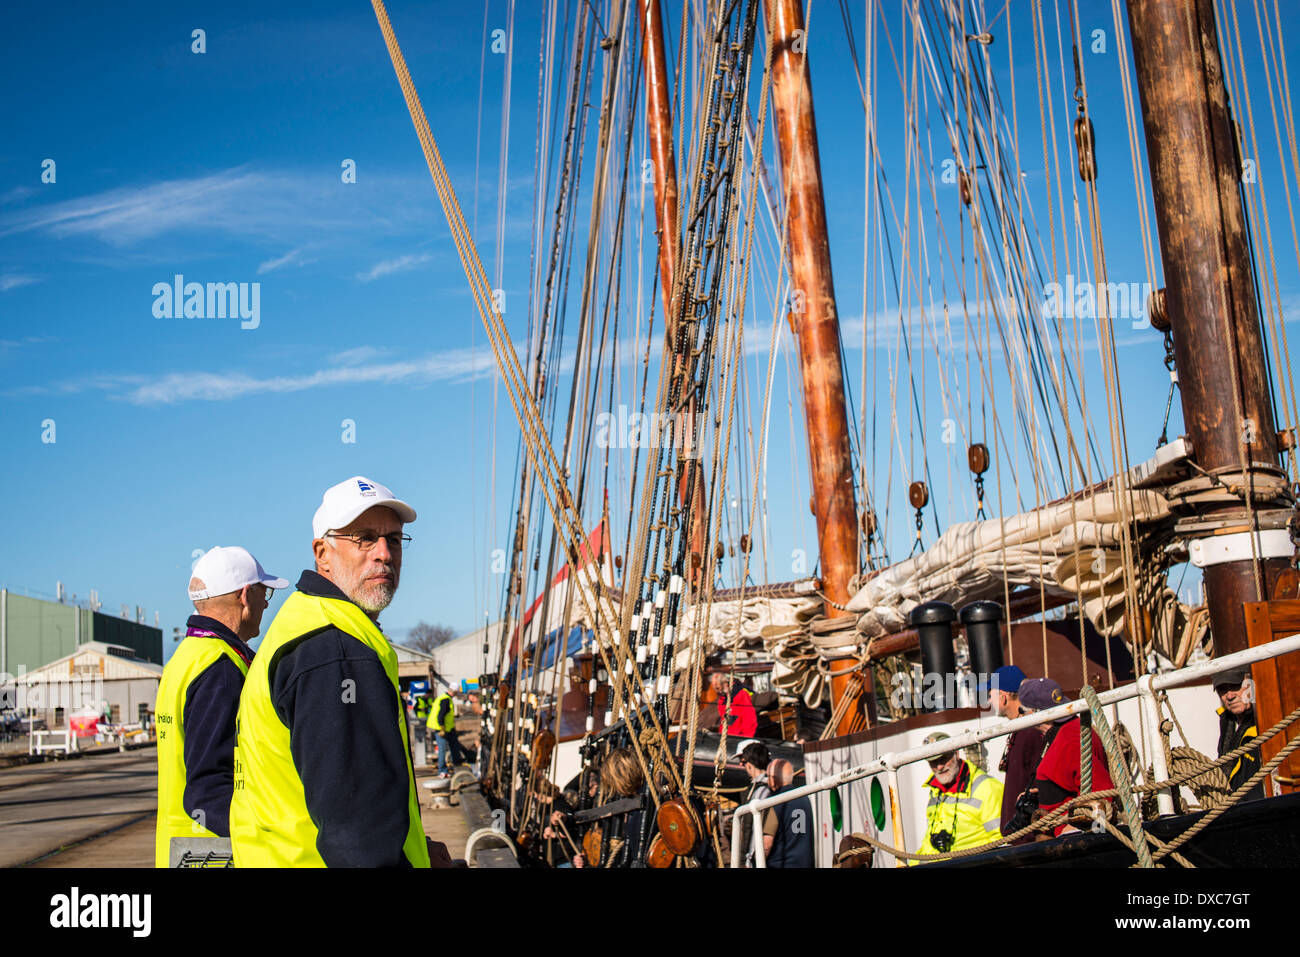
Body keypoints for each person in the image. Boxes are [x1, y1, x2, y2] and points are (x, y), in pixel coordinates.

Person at [229, 475, 449, 867]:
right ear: (322, 553)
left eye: (394, 540)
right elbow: (357, 841)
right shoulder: (336, 650)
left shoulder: (302, 623)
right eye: (364, 537)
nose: (384, 553)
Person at [155, 546, 287, 868]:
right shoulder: (221, 668)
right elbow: (210, 786)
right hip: (216, 853)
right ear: (245, 596)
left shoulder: (184, 658)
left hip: (183, 848)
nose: (266, 604)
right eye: (264, 592)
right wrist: (270, 837)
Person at [1022, 678, 1114, 836]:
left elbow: (1102, 791)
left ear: (1034, 713)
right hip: (1057, 834)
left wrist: (1076, 830)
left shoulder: (1069, 739)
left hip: (1071, 840)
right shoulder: (1067, 731)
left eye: (1022, 712)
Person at [916, 731, 1003, 858]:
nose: (939, 767)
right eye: (933, 762)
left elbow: (1001, 841)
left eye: (943, 759)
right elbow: (928, 846)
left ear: (956, 754)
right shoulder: (934, 791)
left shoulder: (987, 787)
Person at [990, 665, 1043, 840]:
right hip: (1021, 838)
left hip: (1029, 839)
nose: (989, 701)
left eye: (991, 694)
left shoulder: (1031, 731)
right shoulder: (1024, 729)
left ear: (1003, 697)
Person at [1213, 666, 1265, 801]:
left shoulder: (1265, 722)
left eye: (1235, 686)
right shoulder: (1228, 723)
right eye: (1223, 690)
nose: (1230, 696)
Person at [761, 758, 813, 867]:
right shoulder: (804, 798)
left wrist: (757, 861)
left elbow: (767, 843)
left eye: (768, 777)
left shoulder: (775, 801)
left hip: (781, 864)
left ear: (774, 779)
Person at [730, 739, 771, 867]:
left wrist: (748, 860)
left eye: (743, 760)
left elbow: (753, 828)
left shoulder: (763, 790)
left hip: (753, 858)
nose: (741, 765)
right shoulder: (753, 789)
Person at [709, 667, 757, 739]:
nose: (717, 692)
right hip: (726, 737)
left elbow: (750, 720)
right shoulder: (721, 700)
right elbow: (724, 721)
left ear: (725, 684)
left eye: (717, 688)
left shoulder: (741, 695)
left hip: (738, 737)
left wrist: (746, 738)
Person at [432, 686, 468, 777]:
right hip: (441, 729)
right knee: (442, 750)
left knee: (454, 744)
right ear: (454, 692)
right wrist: (441, 727)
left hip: (448, 729)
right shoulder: (445, 700)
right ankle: (442, 771)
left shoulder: (445, 698)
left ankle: (457, 762)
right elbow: (441, 715)